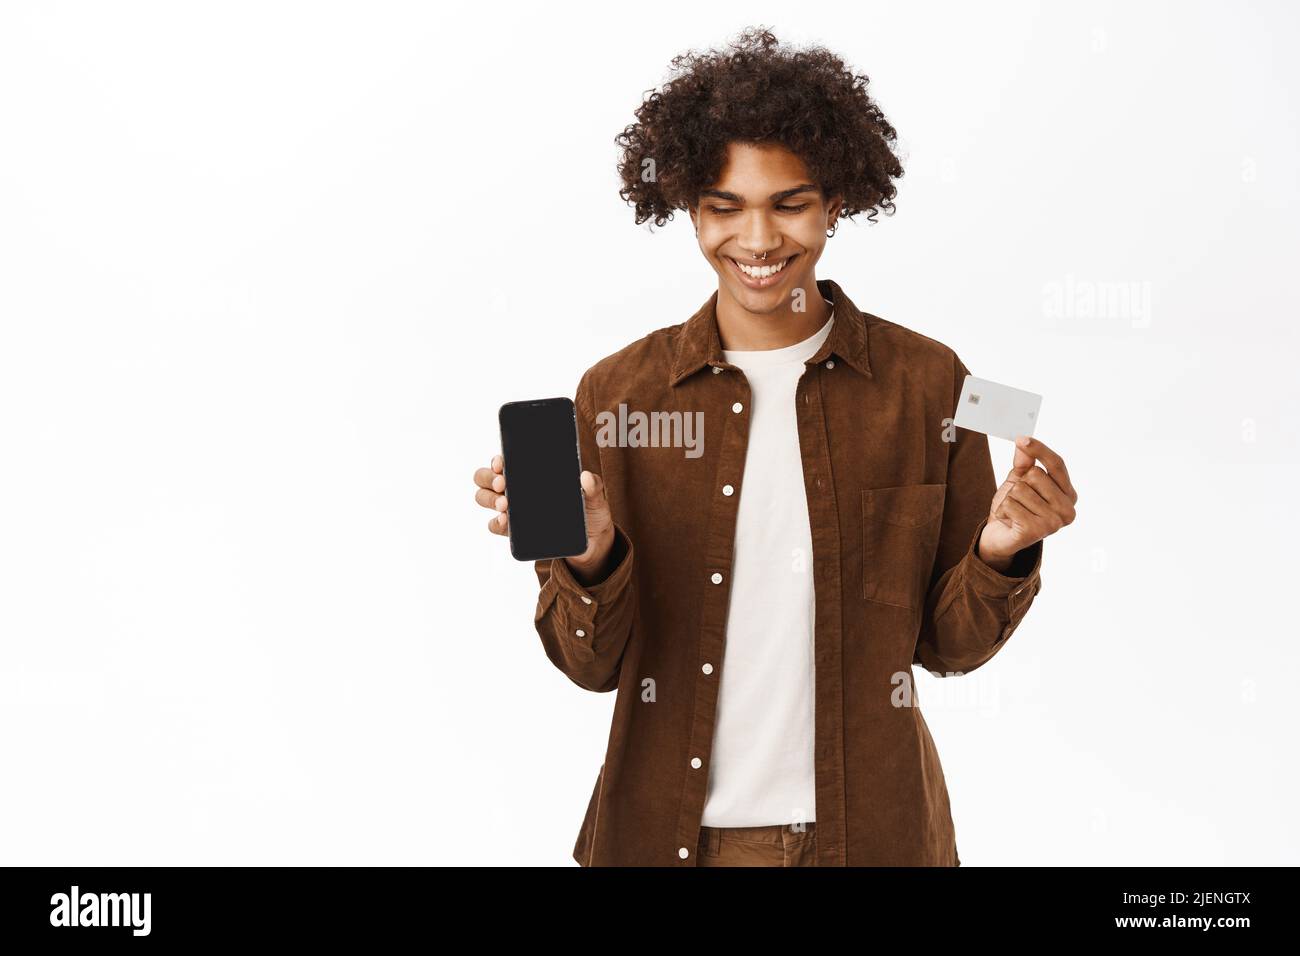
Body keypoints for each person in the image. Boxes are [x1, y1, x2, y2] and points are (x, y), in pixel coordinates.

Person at [472, 27, 1077, 866]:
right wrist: (592, 553)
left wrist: (1004, 550)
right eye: (724, 206)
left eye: (789, 203)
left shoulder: (928, 383)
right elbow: (591, 666)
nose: (757, 240)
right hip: (666, 838)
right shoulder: (618, 396)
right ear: (686, 209)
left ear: (836, 204)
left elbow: (950, 647)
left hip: (873, 836)